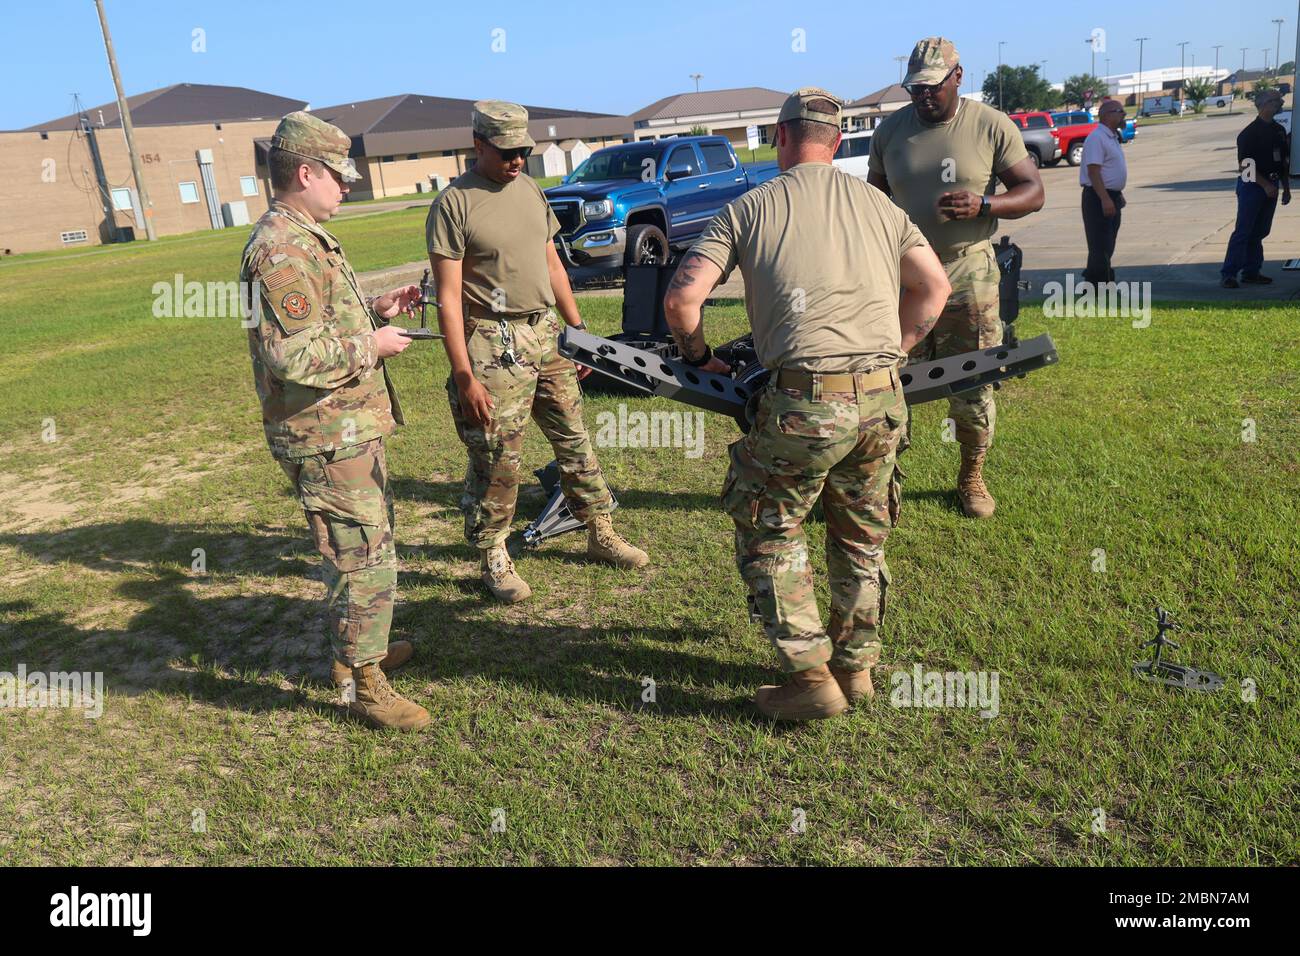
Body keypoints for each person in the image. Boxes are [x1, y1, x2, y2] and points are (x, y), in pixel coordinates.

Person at [663, 88, 952, 722]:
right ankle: (858, 670)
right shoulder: (880, 205)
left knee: (770, 529)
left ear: (781, 134)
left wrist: (696, 355)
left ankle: (808, 675)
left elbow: (682, 302)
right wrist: (893, 353)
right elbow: (934, 288)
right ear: (837, 136)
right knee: (861, 537)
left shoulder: (749, 207)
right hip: (881, 402)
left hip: (803, 402)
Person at [240, 112, 429, 731]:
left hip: (344, 427)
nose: (346, 186)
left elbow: (320, 321)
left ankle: (358, 656)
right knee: (361, 556)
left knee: (364, 546)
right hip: (323, 434)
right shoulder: (278, 250)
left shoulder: (305, 236)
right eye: (338, 176)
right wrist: (370, 346)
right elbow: (290, 356)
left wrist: (375, 310)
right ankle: (364, 682)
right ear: (304, 172)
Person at [427, 101, 648, 603]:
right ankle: (493, 553)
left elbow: (552, 266)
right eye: (506, 152)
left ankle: (599, 531)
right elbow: (447, 296)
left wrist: (579, 333)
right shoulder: (454, 205)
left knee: (574, 437)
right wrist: (463, 374)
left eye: (523, 151)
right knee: (498, 455)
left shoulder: (528, 189)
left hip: (546, 333)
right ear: (478, 145)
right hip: (492, 341)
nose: (517, 160)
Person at [867, 37, 1045, 519]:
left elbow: (1032, 192)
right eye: (915, 88)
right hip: (906, 277)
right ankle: (882, 479)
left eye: (932, 86)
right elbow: (874, 200)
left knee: (973, 381)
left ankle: (971, 476)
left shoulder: (990, 125)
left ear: (958, 77)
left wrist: (984, 204)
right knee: (888, 379)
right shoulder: (890, 133)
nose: (923, 96)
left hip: (969, 273)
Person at [1220, 88, 1291, 288]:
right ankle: (1229, 273)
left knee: (1260, 231)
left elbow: (1283, 162)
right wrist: (1265, 185)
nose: (1281, 103)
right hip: (1253, 186)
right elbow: (1244, 166)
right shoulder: (1249, 134)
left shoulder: (1278, 130)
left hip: (1272, 185)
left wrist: (1285, 188)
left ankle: (1252, 271)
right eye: (1278, 100)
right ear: (1266, 104)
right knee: (1243, 231)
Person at [1080, 99, 1129, 284]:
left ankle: (1097, 282)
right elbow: (1093, 171)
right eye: (1120, 112)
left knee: (1108, 244)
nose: (1123, 115)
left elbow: (1109, 170)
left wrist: (1116, 195)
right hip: (1098, 197)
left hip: (1110, 195)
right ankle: (1098, 284)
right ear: (1107, 114)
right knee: (1100, 244)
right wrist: (1105, 199)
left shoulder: (1112, 136)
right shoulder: (1097, 138)